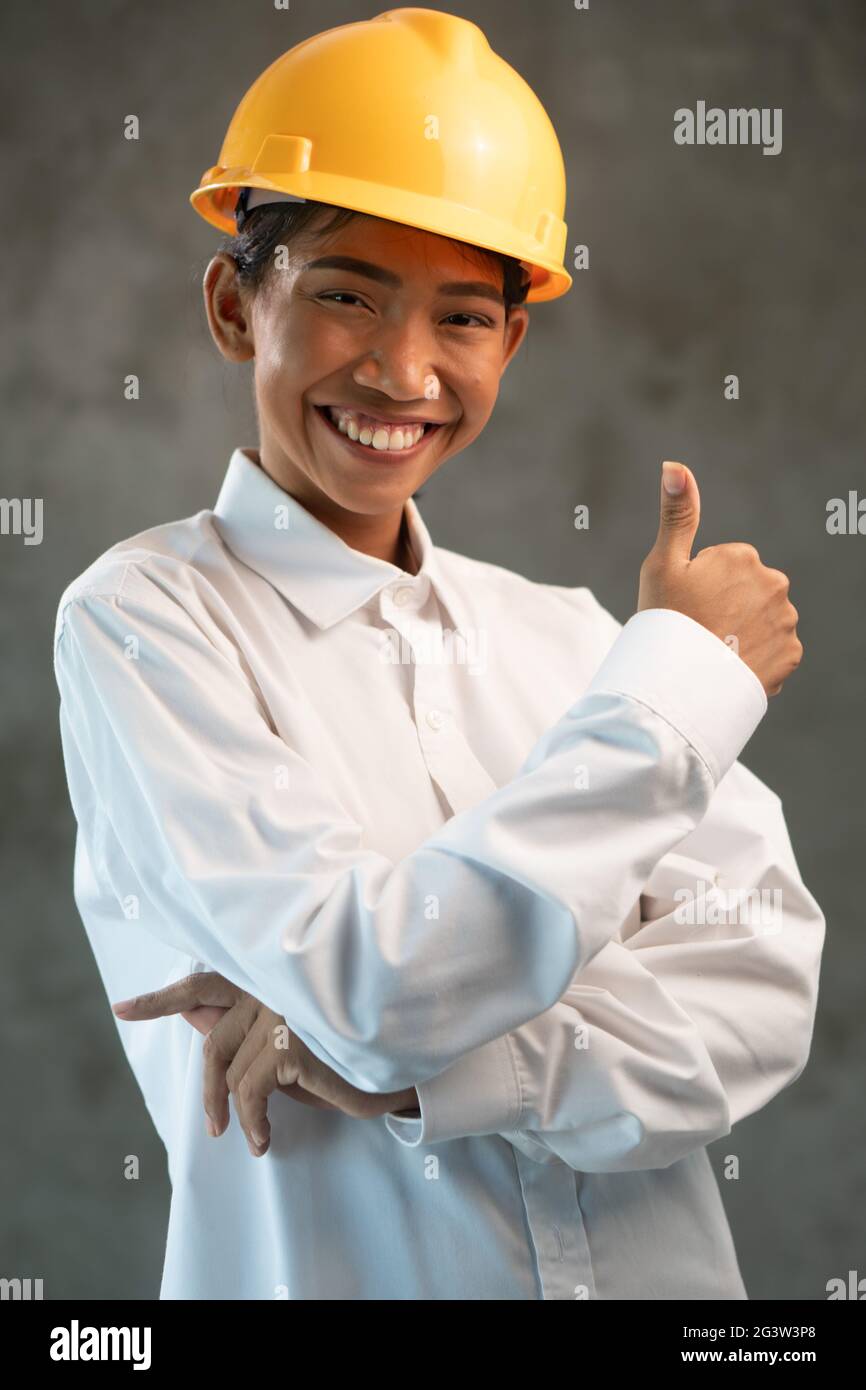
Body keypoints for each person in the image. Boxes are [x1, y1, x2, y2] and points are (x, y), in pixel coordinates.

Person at [53, 8, 823, 1300]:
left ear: (509, 343)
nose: (402, 369)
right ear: (236, 303)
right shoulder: (144, 619)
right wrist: (685, 685)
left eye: (462, 317)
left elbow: (757, 993)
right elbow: (374, 978)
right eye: (345, 292)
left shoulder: (577, 638)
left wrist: (421, 1071)